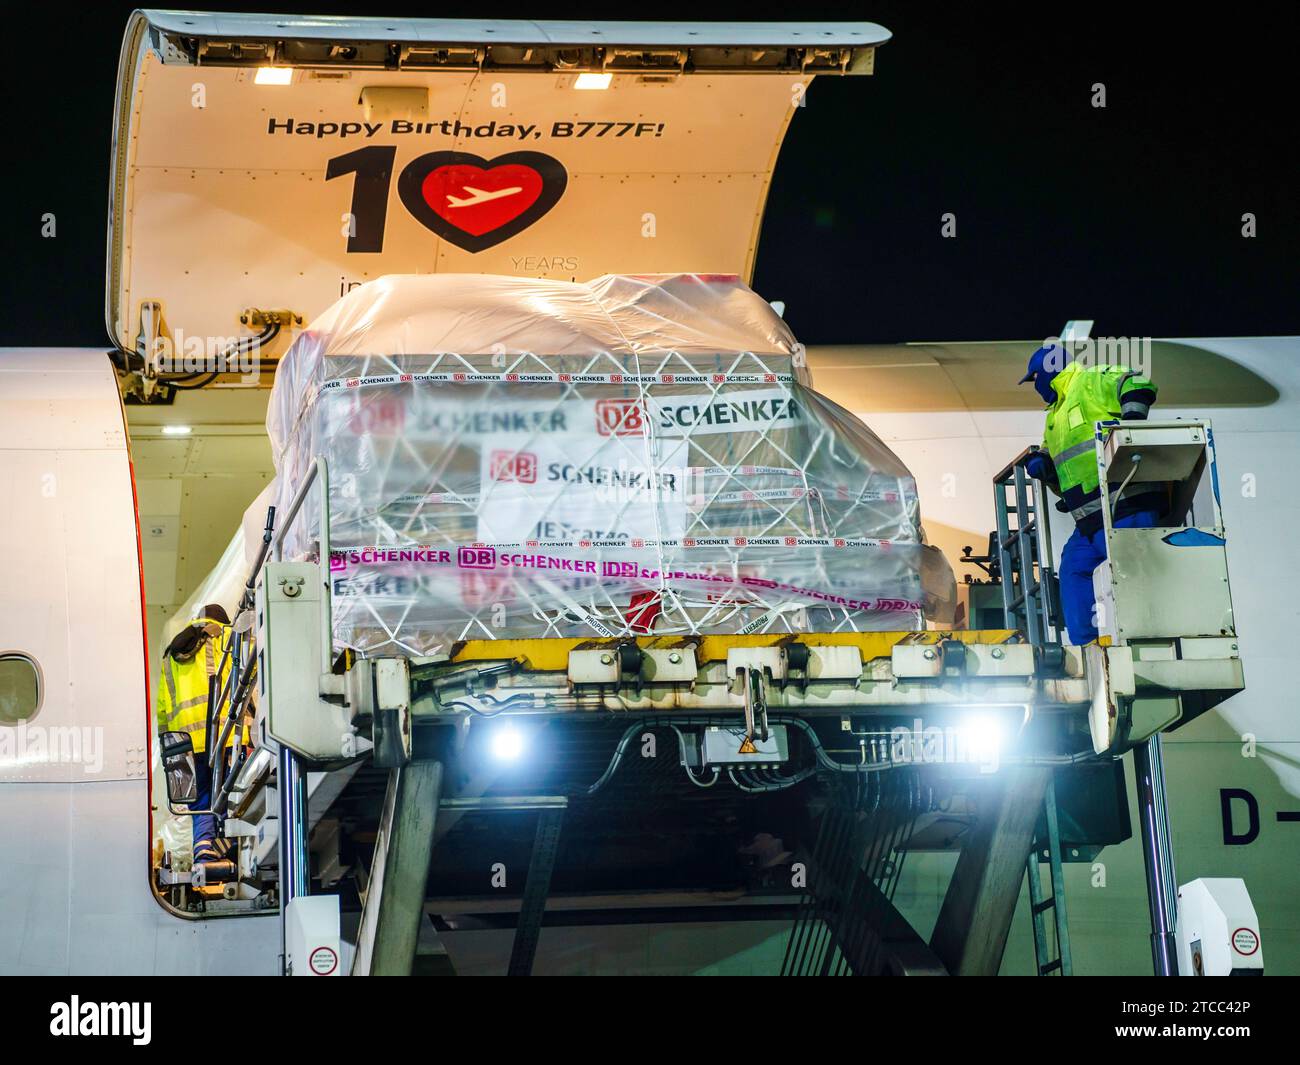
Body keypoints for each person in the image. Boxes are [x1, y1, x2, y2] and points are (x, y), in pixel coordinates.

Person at [1019, 345, 1161, 645]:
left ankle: (1142, 641)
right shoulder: (1054, 415)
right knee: (1073, 569)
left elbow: (1135, 382)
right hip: (1091, 519)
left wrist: (1131, 428)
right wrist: (1042, 461)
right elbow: (1051, 449)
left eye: (1035, 380)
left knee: (1131, 578)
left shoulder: (1090, 380)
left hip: (1125, 506)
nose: (1036, 388)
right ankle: (1088, 646)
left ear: (1047, 372)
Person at [155, 604, 232, 863]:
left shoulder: (171, 656)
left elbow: (163, 709)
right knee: (230, 795)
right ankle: (226, 845)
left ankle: (203, 849)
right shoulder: (225, 640)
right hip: (223, 734)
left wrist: (170, 749)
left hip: (185, 742)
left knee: (200, 799)